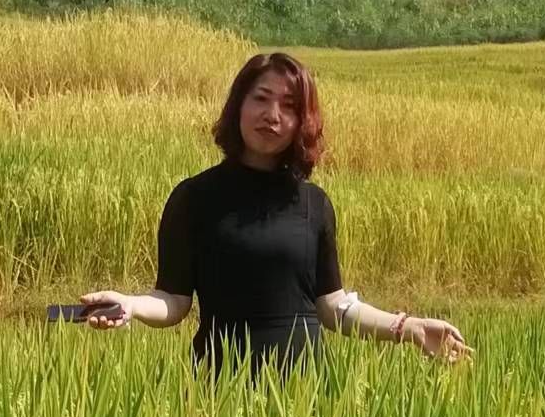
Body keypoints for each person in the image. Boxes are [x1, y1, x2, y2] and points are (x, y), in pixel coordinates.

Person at [81, 51, 471, 375]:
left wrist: (409, 327)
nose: (272, 114)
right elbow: (173, 300)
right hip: (220, 384)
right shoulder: (194, 198)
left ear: (303, 122)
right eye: (261, 99)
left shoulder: (313, 204)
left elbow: (333, 306)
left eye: (288, 106)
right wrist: (130, 305)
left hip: (305, 388)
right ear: (238, 106)